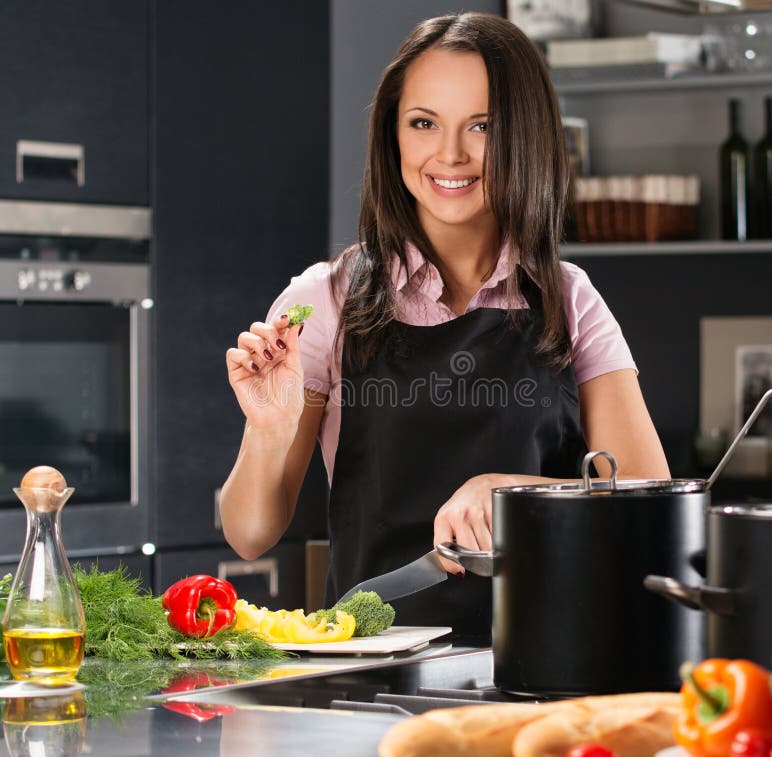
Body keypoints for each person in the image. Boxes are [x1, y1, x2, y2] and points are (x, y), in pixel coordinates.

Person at [220, 12, 670, 644]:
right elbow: (249, 534)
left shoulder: (569, 300)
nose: (450, 154)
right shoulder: (325, 299)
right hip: (374, 683)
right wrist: (267, 432)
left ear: (525, 137)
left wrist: (513, 492)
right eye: (423, 123)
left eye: (482, 126)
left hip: (549, 669)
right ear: (393, 135)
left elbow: (652, 507)